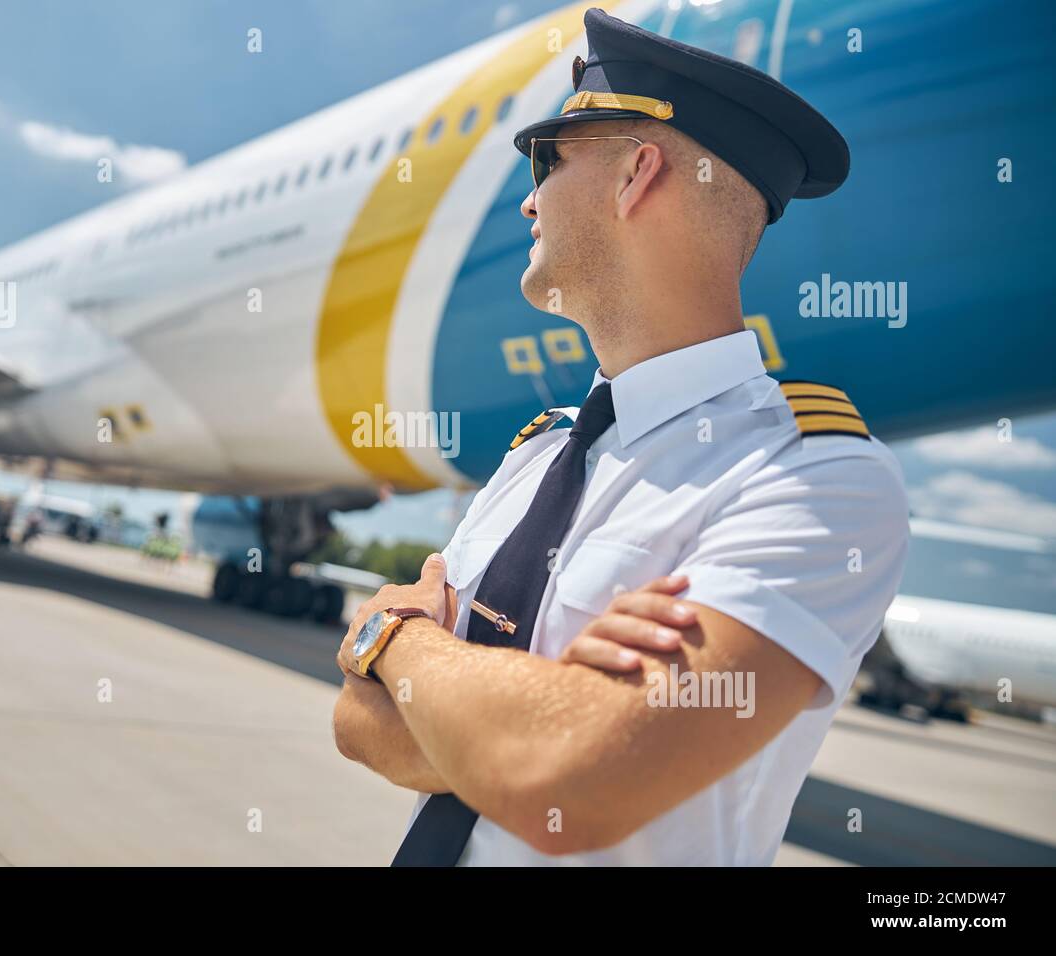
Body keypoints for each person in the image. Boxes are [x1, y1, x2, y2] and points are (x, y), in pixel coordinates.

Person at [332, 8, 909, 866]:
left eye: (547, 158)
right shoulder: (538, 454)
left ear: (637, 174)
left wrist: (395, 639)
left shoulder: (818, 477)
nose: (528, 198)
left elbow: (569, 781)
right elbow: (357, 722)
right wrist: (538, 713)